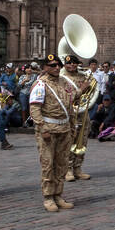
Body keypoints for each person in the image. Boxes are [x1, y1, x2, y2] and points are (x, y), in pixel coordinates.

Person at [29, 53, 77, 213]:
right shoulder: (40, 84)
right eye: (52, 65)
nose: (57, 68)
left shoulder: (64, 82)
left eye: (58, 65)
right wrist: (43, 128)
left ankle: (58, 194)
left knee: (62, 163)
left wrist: (72, 126)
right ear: (45, 67)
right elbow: (35, 108)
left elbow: (69, 105)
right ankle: (48, 197)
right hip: (48, 130)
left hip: (64, 129)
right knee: (48, 164)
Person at [59, 55, 94, 182]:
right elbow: (65, 97)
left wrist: (89, 87)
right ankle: (67, 169)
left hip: (83, 114)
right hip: (69, 114)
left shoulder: (83, 76)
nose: (72, 65)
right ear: (65, 65)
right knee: (70, 141)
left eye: (74, 63)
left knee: (82, 141)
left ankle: (78, 168)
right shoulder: (61, 79)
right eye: (69, 63)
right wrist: (82, 89)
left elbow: (91, 93)